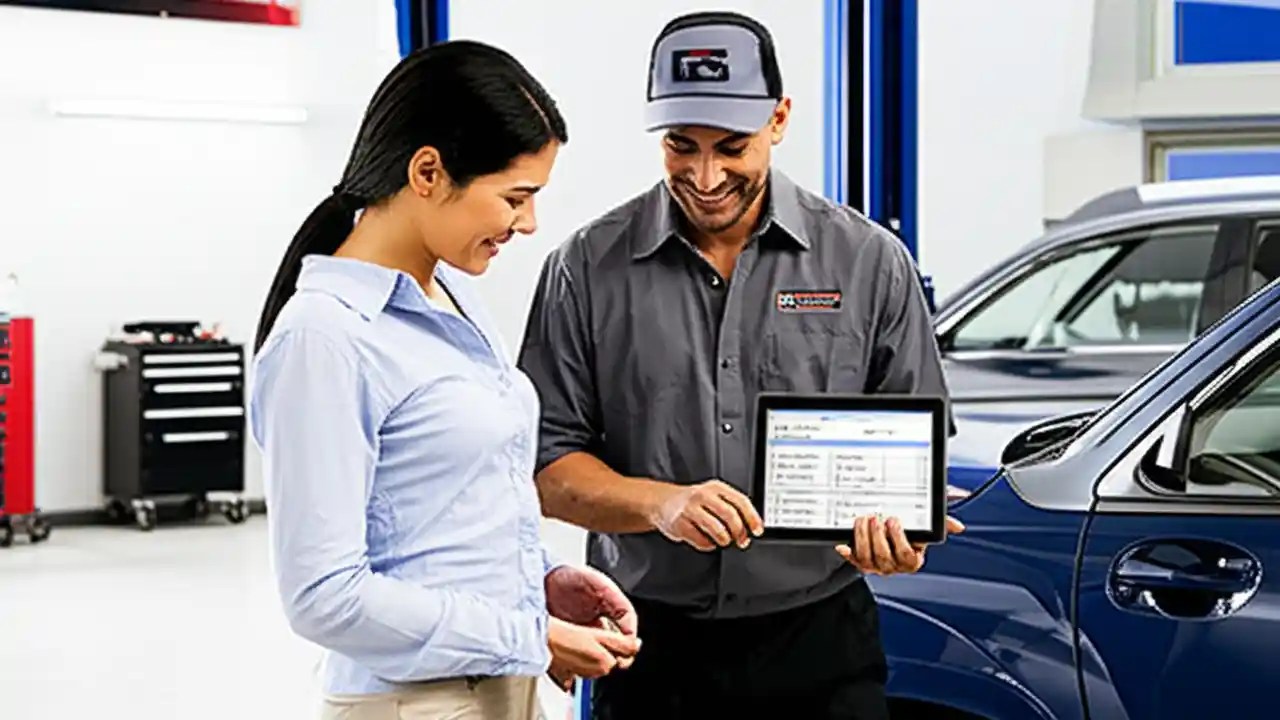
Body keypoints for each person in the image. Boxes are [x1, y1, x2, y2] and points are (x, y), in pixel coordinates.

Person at [517, 11, 963, 720]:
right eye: (679, 145)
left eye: (731, 146)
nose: (704, 174)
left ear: (779, 119)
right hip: (648, 647)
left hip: (820, 643)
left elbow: (912, 455)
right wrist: (660, 503)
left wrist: (899, 539)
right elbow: (545, 468)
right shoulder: (585, 269)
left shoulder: (870, 262)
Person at [248, 40, 640, 720]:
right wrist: (525, 636)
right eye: (516, 196)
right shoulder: (325, 337)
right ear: (428, 171)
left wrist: (542, 582)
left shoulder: (451, 298)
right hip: (418, 702)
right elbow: (324, 594)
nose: (529, 223)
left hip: (501, 688)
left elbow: (452, 502)